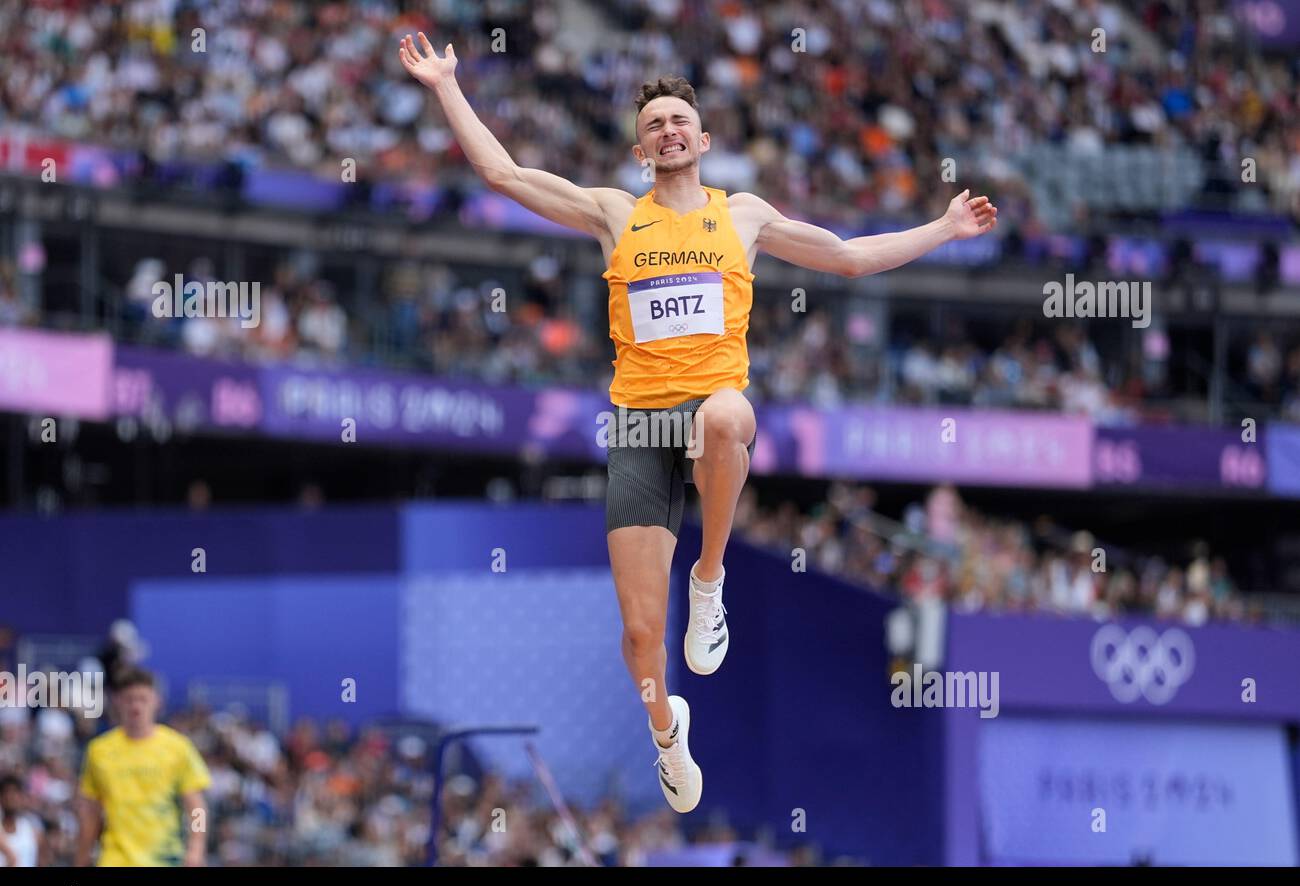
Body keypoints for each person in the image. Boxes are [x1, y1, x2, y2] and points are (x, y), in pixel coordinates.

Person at [398, 36, 997, 812]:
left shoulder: (742, 215)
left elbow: (848, 257)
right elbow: (502, 173)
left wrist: (943, 229)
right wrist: (447, 84)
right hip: (642, 428)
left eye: (680, 118)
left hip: (712, 412)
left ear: (704, 139)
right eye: (654, 123)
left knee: (725, 413)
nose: (668, 130)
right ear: (640, 147)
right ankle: (666, 735)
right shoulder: (615, 214)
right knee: (644, 637)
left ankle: (709, 579)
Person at [76, 668, 211, 866]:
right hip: (115, 859)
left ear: (157, 701)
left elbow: (197, 808)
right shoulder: (99, 751)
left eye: (143, 699)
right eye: (129, 699)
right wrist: (82, 856)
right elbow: (90, 813)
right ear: (117, 701)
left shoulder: (178, 748)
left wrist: (196, 848)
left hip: (164, 858)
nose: (136, 706)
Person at [0, 774, 46, 867]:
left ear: (22, 798)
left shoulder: (34, 832)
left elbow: (42, 862)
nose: (10, 797)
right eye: (6, 792)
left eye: (15, 793)